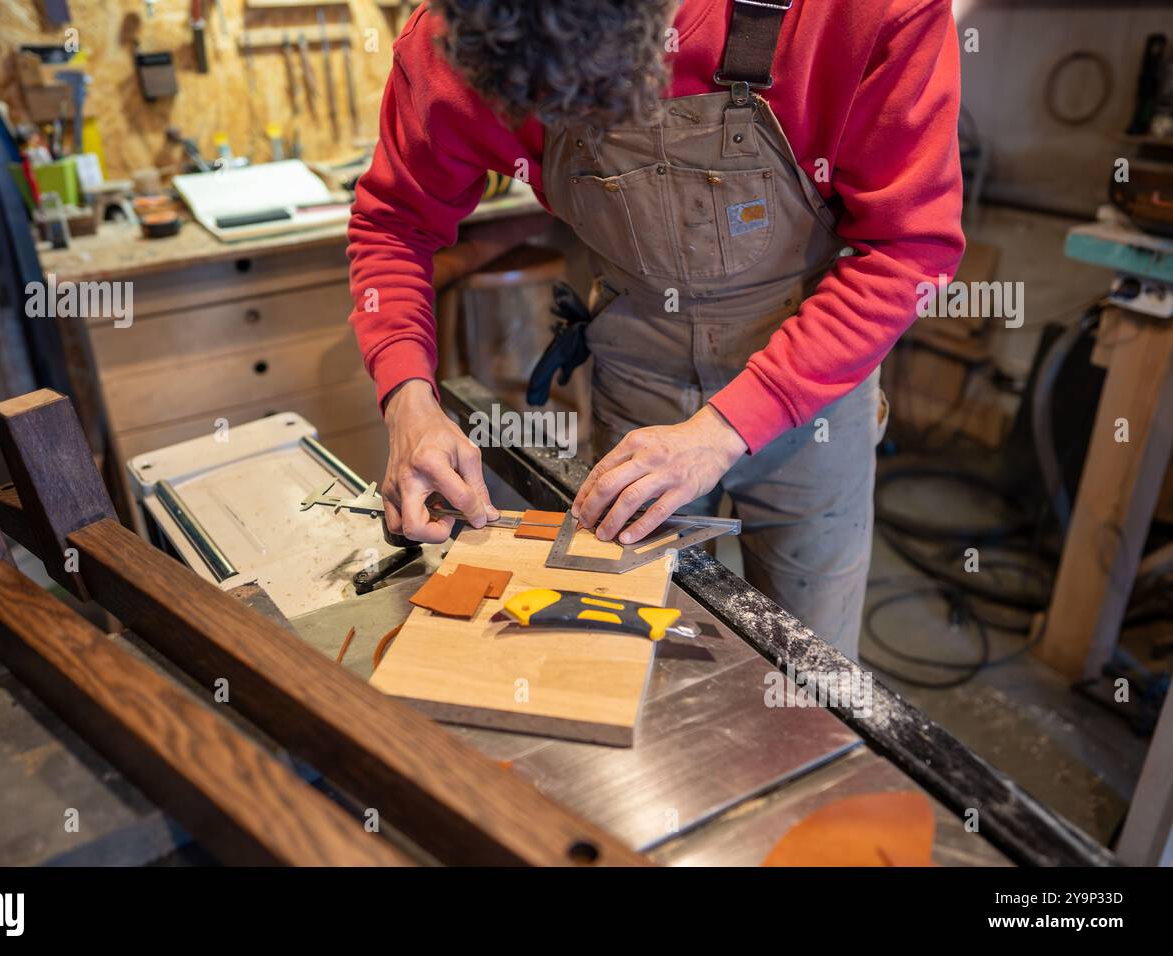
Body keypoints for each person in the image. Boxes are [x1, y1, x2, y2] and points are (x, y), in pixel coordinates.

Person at [347, 0, 964, 656]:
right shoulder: (458, 36)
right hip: (636, 374)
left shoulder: (862, 12)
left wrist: (724, 430)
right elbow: (395, 221)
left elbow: (910, 249)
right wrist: (408, 400)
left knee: (805, 676)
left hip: (813, 390)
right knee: (632, 656)